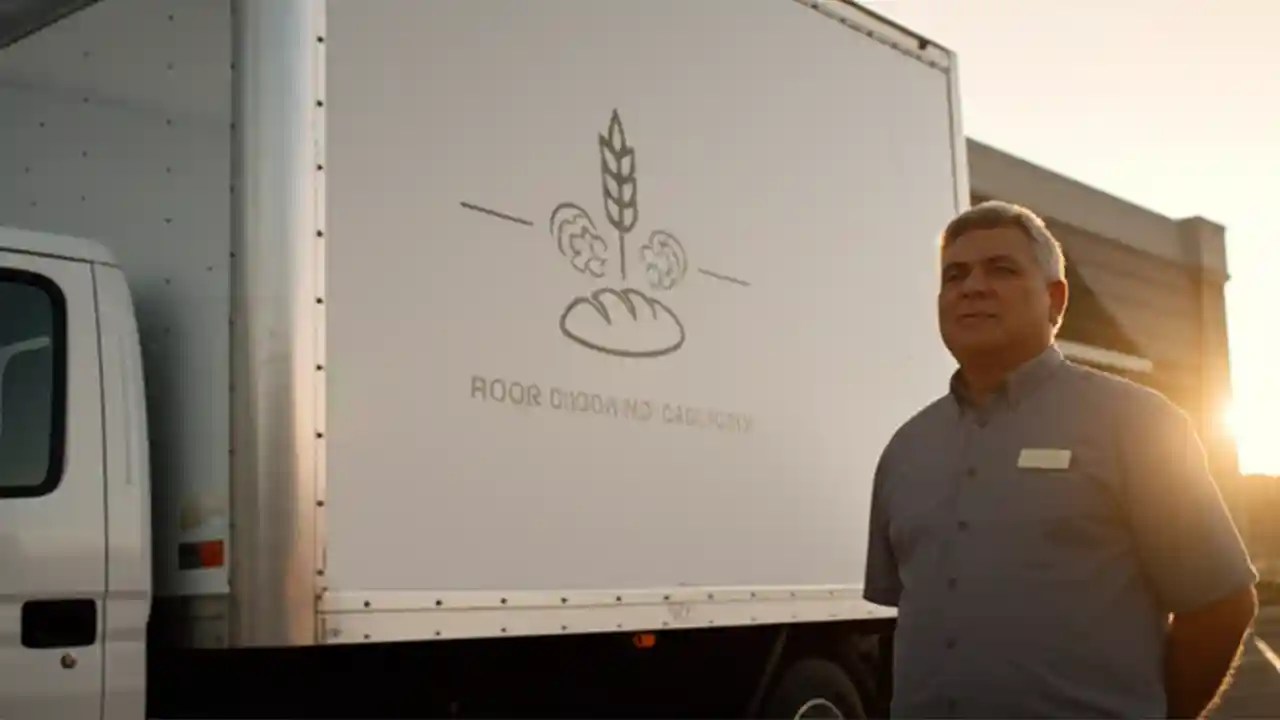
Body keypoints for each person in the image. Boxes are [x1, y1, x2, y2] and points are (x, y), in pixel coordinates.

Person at [863, 200, 1259, 719]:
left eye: (1001, 269)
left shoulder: (1138, 423)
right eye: (954, 275)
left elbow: (1220, 606)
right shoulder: (906, 449)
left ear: (1056, 300)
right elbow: (905, 616)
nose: (972, 287)